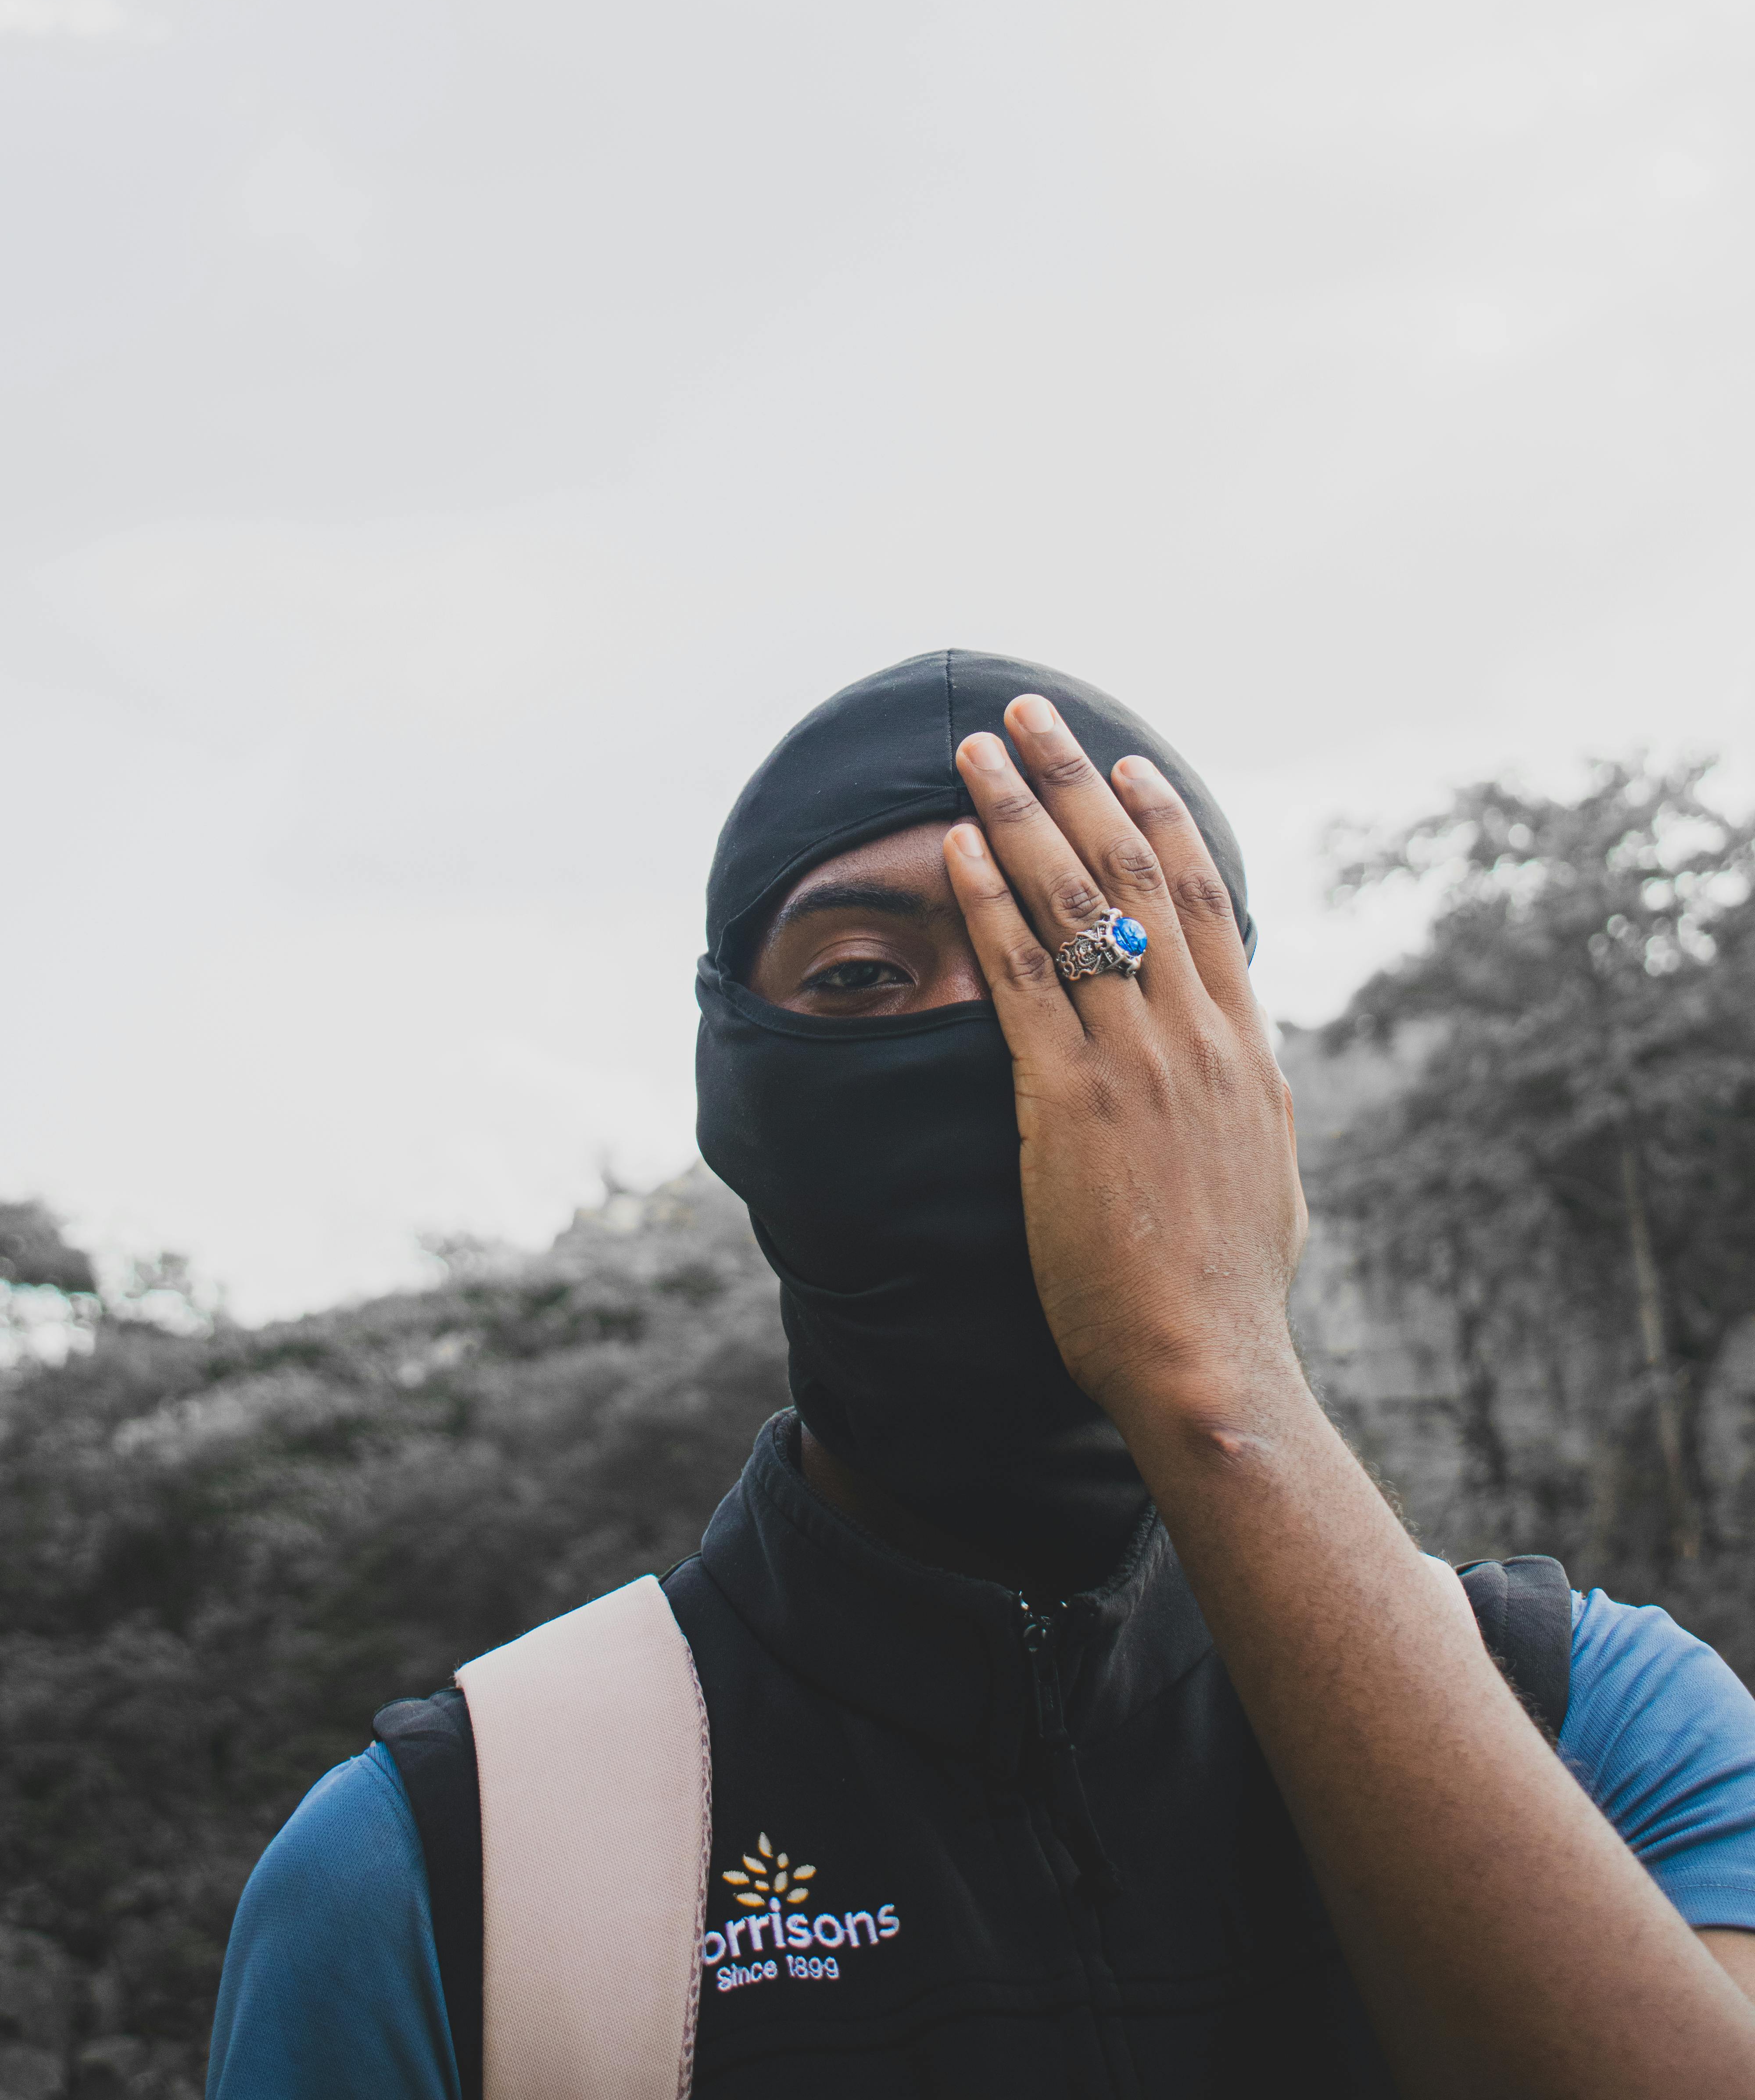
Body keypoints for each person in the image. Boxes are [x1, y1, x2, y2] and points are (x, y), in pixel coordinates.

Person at [208, 649, 1755, 2098]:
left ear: (1229, 1065)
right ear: (731, 1082)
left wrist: (1221, 1387)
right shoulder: (442, 1870)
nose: (1008, 1026)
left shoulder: (1601, 1721)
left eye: (1101, 956)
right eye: (863, 975)